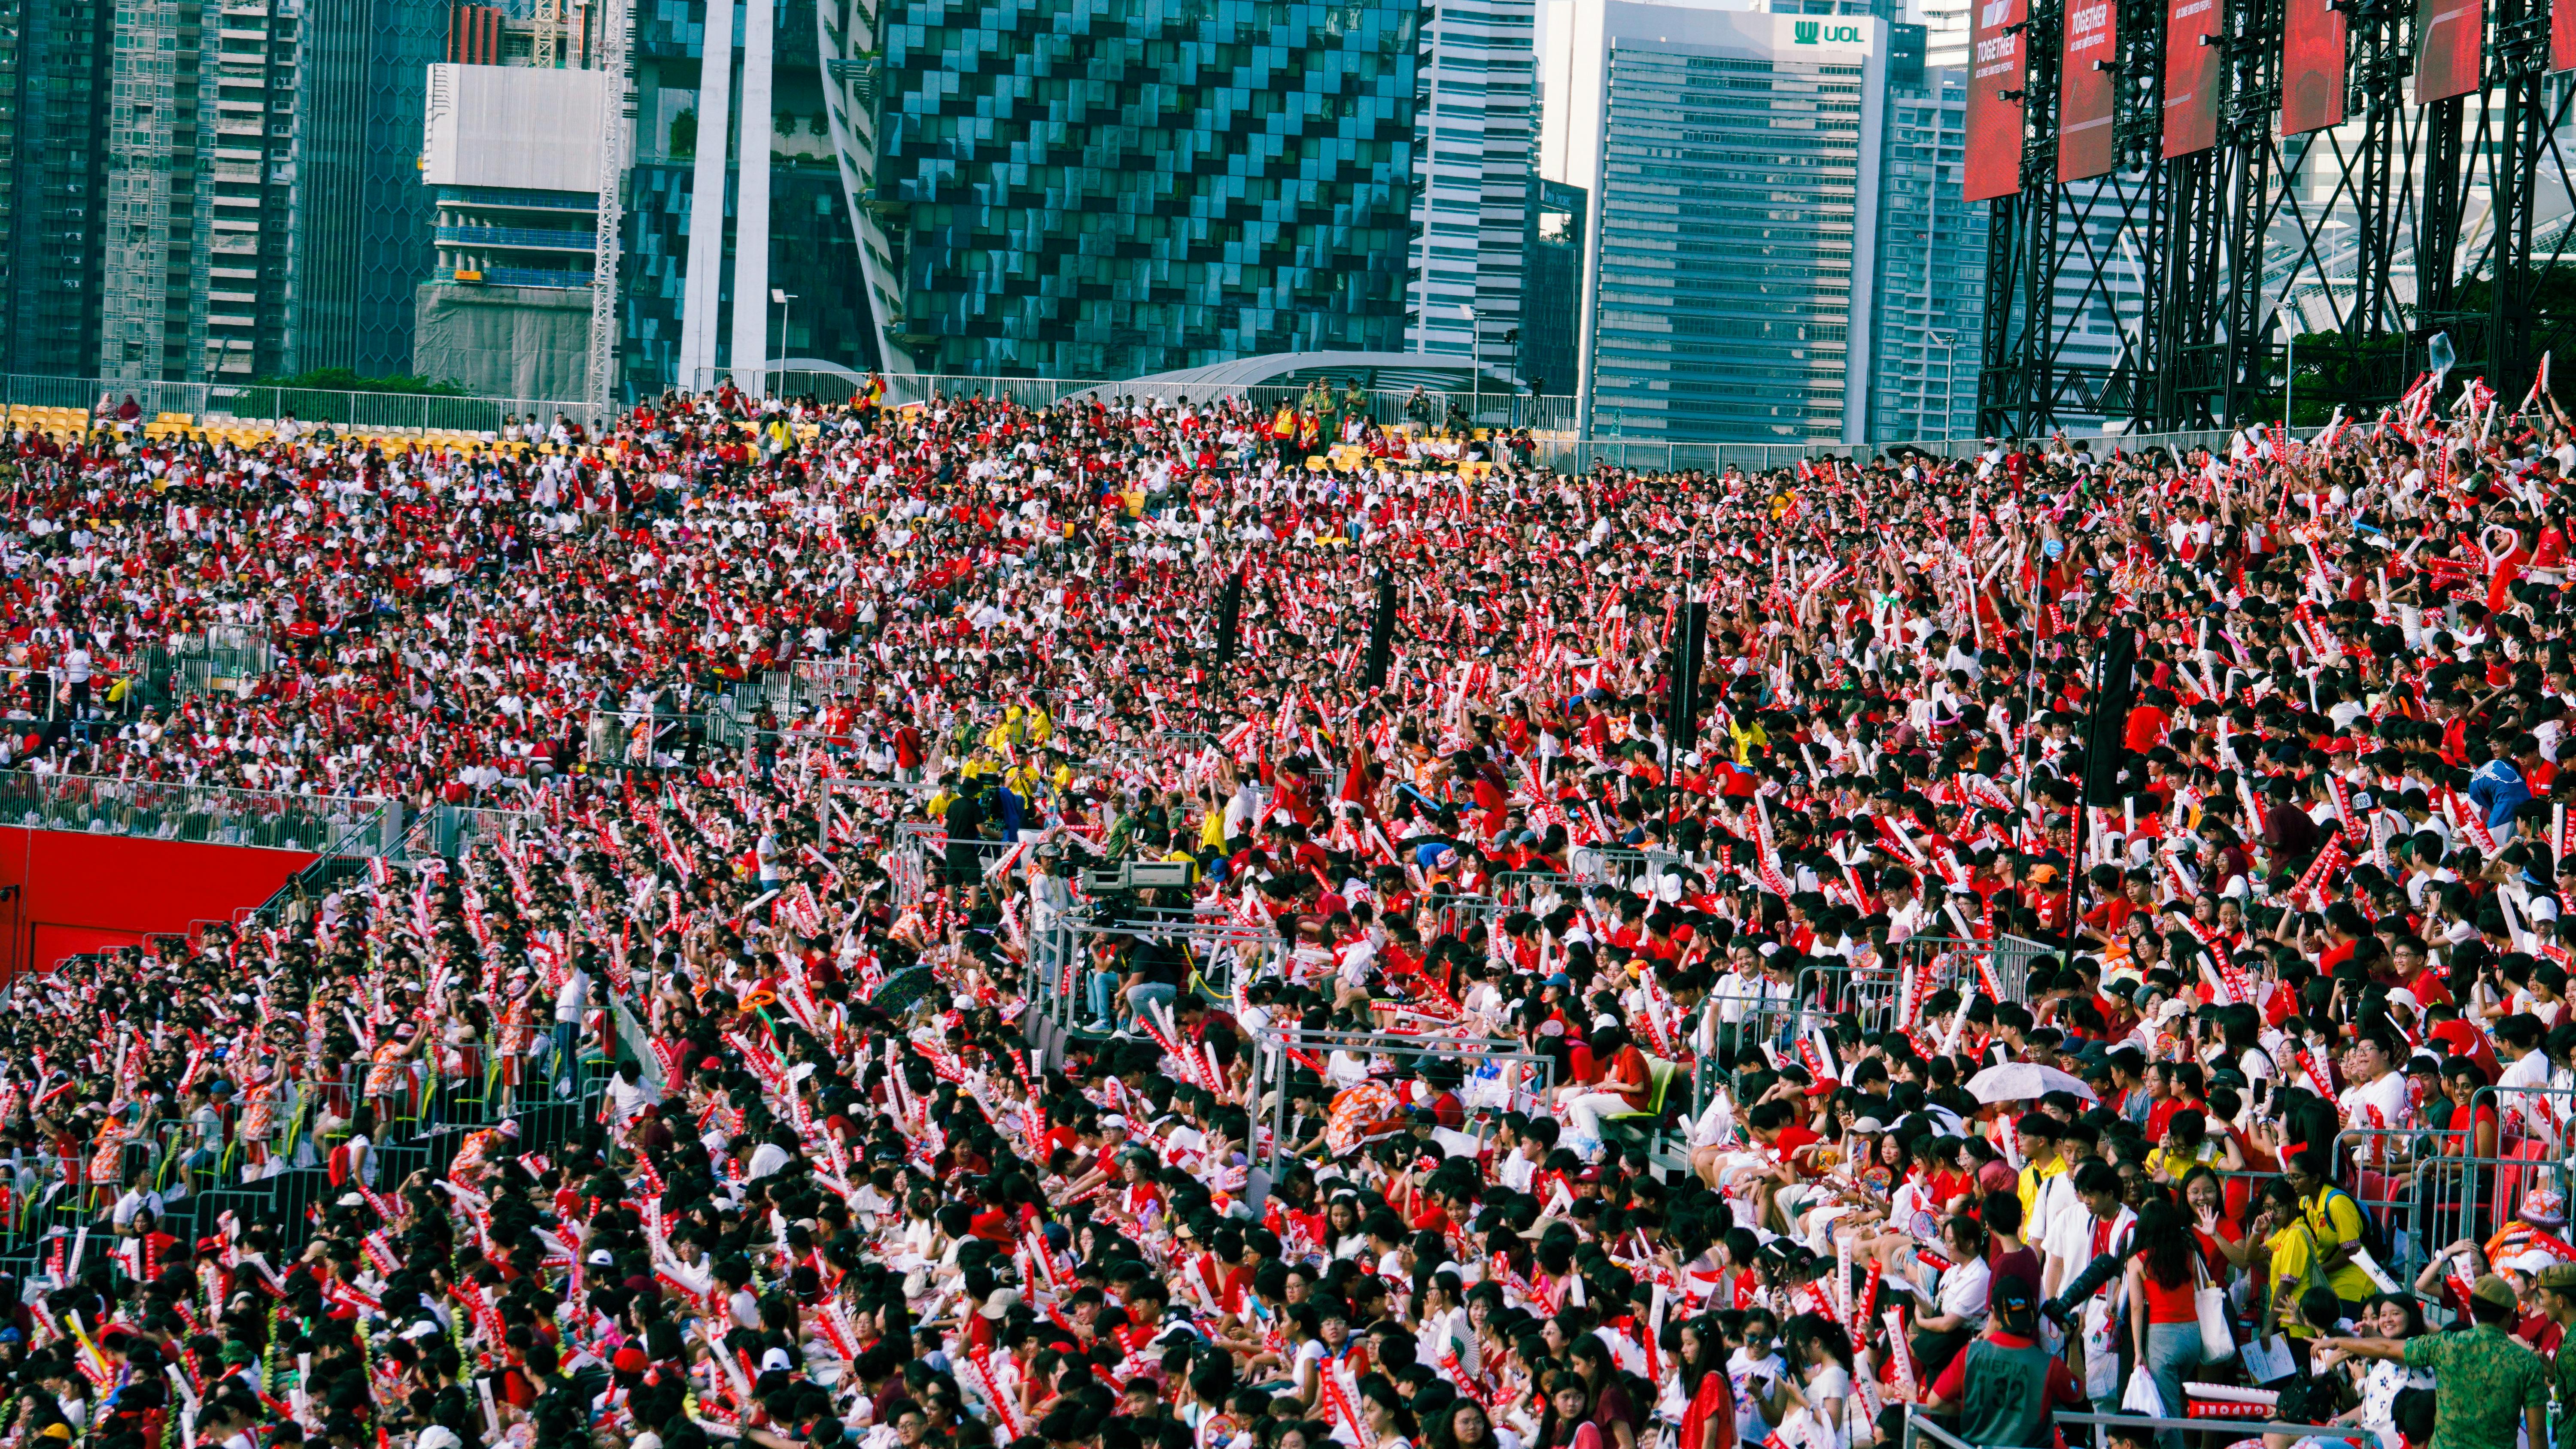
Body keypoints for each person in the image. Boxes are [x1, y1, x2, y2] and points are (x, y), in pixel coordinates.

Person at [2311, 1274, 2548, 1449]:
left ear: (2474, 1309)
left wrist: (2337, 1342)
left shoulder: (2446, 1344)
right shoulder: (2525, 1361)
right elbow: (2537, 1434)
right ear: (2509, 1315)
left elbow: (2385, 1347)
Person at [1918, 1276, 2088, 1448]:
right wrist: (2073, 1344)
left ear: (1994, 1314)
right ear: (2034, 1308)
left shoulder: (1972, 1354)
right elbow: (2078, 1393)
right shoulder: (2046, 1364)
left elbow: (1934, 1402)